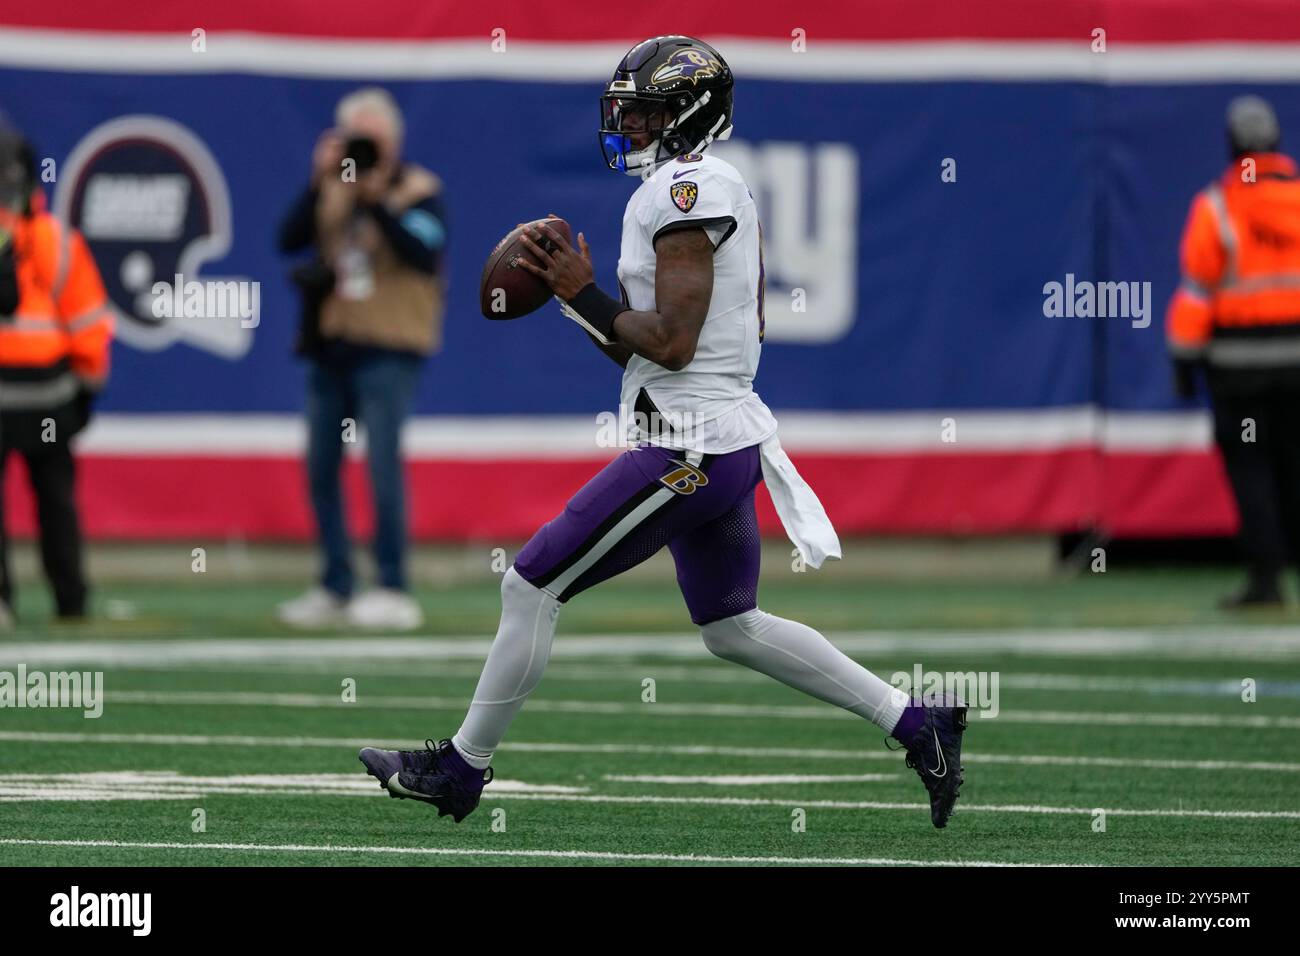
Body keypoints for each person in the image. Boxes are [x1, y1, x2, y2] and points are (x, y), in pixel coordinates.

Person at [359, 37, 968, 829]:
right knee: (732, 626)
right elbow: (638, 335)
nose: (631, 125)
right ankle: (919, 724)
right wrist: (573, 298)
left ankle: (462, 769)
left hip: (692, 442)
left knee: (531, 581)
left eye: (645, 111)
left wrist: (585, 291)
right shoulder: (682, 187)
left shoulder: (689, 189)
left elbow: (671, 341)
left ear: (690, 114)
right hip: (714, 435)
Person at [277, 88, 448, 630]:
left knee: (381, 467)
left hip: (390, 346)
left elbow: (423, 254)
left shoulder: (420, 190)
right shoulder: (331, 188)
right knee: (322, 468)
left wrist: (374, 197)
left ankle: (393, 585)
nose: (366, 153)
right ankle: (335, 582)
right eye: (357, 141)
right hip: (333, 344)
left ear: (394, 142)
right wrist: (317, 177)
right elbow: (287, 239)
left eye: (373, 142)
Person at [1166, 95, 1300, 608]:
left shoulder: (1217, 206)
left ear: (1232, 145)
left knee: (1251, 472)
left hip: (1239, 369)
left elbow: (1196, 293)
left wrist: (1184, 360)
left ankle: (1267, 581)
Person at [0, 119, 113, 624]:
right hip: (48, 394)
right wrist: (87, 387)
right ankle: (71, 601)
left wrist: (85, 388)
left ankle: (61, 597)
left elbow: (86, 315)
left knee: (55, 500)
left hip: (41, 393)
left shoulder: (51, 241)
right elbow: (88, 321)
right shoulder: (55, 238)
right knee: (56, 500)